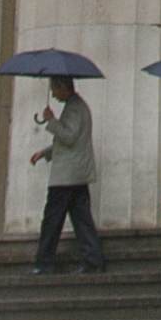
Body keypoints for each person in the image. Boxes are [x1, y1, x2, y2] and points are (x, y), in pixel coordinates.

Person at [27, 75, 103, 274]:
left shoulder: (75, 108)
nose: (52, 93)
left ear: (63, 87)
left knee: (52, 219)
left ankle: (44, 262)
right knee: (81, 218)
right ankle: (93, 259)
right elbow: (68, 141)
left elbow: (68, 137)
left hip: (66, 176)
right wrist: (45, 153)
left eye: (54, 89)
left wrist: (51, 121)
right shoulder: (76, 107)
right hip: (75, 174)